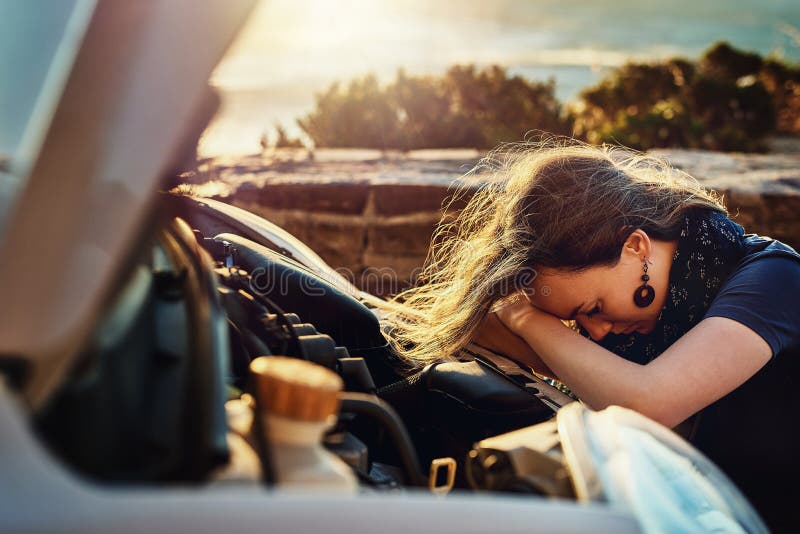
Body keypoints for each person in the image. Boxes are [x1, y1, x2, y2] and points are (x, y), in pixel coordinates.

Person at [382, 141, 800, 528]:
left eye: (594, 309)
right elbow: (497, 335)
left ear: (635, 246)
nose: (596, 333)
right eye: (579, 324)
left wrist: (525, 318)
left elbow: (649, 405)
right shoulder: (648, 326)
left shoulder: (773, 278)